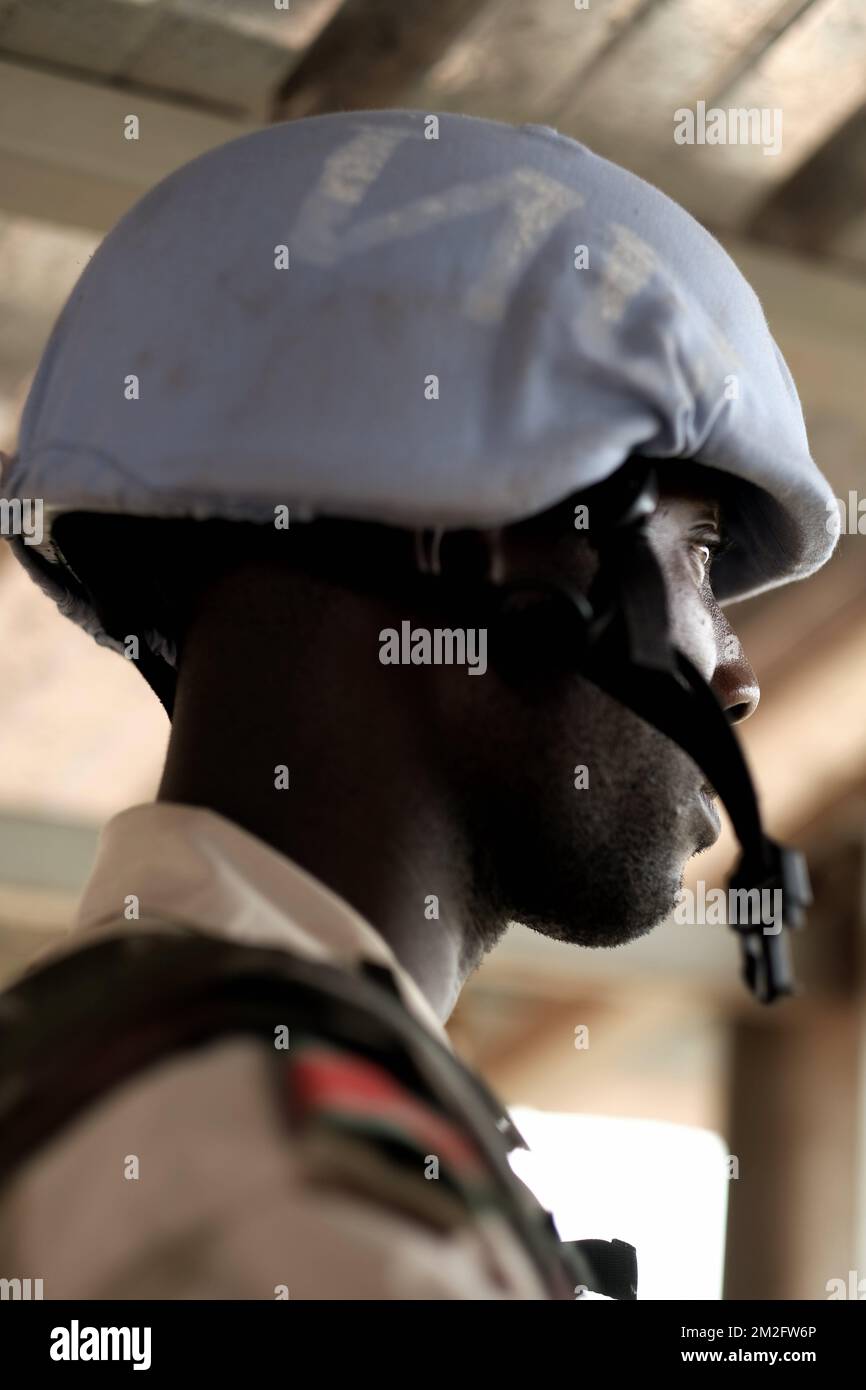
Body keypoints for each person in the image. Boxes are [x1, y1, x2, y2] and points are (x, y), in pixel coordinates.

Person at [0, 110, 838, 1300]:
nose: (739, 677)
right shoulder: (284, 1193)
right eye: (698, 555)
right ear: (492, 551)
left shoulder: (150, 1090)